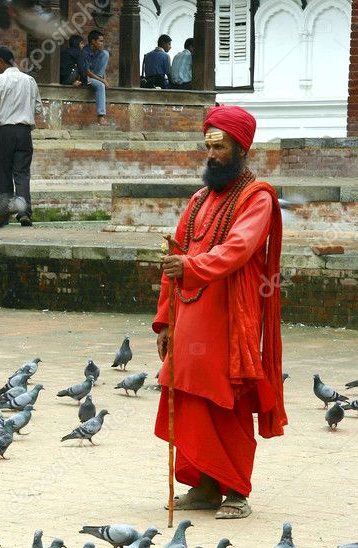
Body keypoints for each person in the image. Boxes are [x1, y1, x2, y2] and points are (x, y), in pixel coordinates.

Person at [153, 105, 286, 520]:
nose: (211, 155)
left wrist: (190, 267)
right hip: (190, 315)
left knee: (228, 399)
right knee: (191, 397)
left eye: (220, 147)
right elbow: (174, 258)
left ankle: (236, 492)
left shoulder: (257, 197)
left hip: (231, 316)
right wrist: (164, 321)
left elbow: (238, 249)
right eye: (208, 147)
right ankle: (206, 486)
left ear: (241, 149)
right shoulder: (198, 200)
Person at [0, 46, 43, 228]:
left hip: (5, 131)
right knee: (22, 174)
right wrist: (25, 112)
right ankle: (24, 213)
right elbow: (38, 108)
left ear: (1, 62)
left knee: (3, 173)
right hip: (24, 132)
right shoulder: (29, 80)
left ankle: (1, 215)